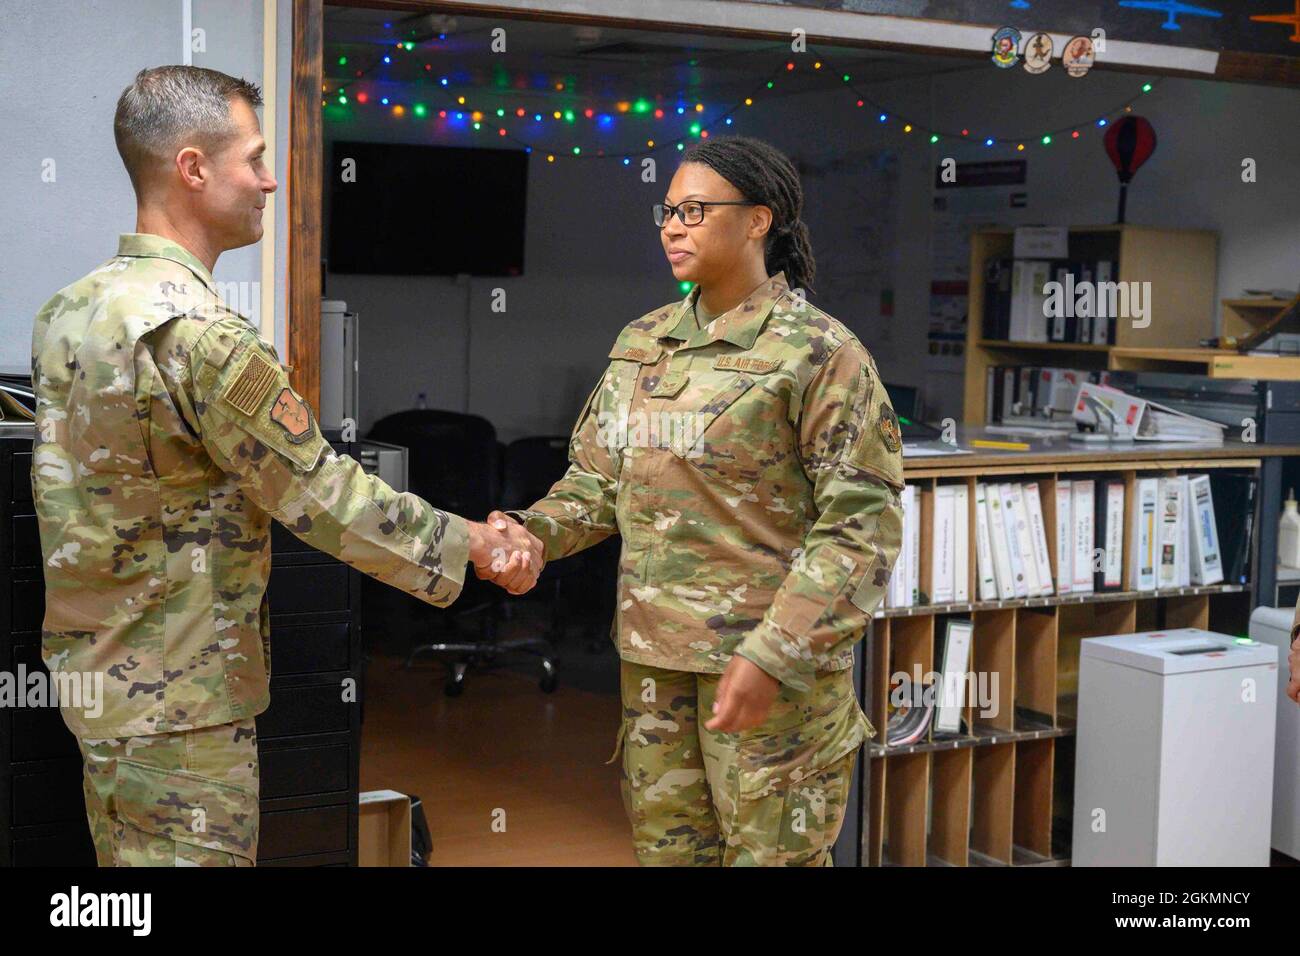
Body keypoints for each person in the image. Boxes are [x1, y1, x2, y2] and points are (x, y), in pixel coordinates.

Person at [29, 65, 542, 867]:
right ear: (193, 168)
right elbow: (324, 494)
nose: (271, 182)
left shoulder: (70, 310)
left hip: (101, 681)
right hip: (182, 700)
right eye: (256, 159)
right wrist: (473, 544)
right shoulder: (200, 333)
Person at [498, 136, 904, 865]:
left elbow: (860, 532)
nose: (672, 228)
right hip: (655, 667)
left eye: (694, 211)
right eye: (667, 211)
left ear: (757, 220)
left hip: (769, 674)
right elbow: (597, 483)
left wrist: (775, 653)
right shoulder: (643, 343)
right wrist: (531, 535)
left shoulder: (819, 353)